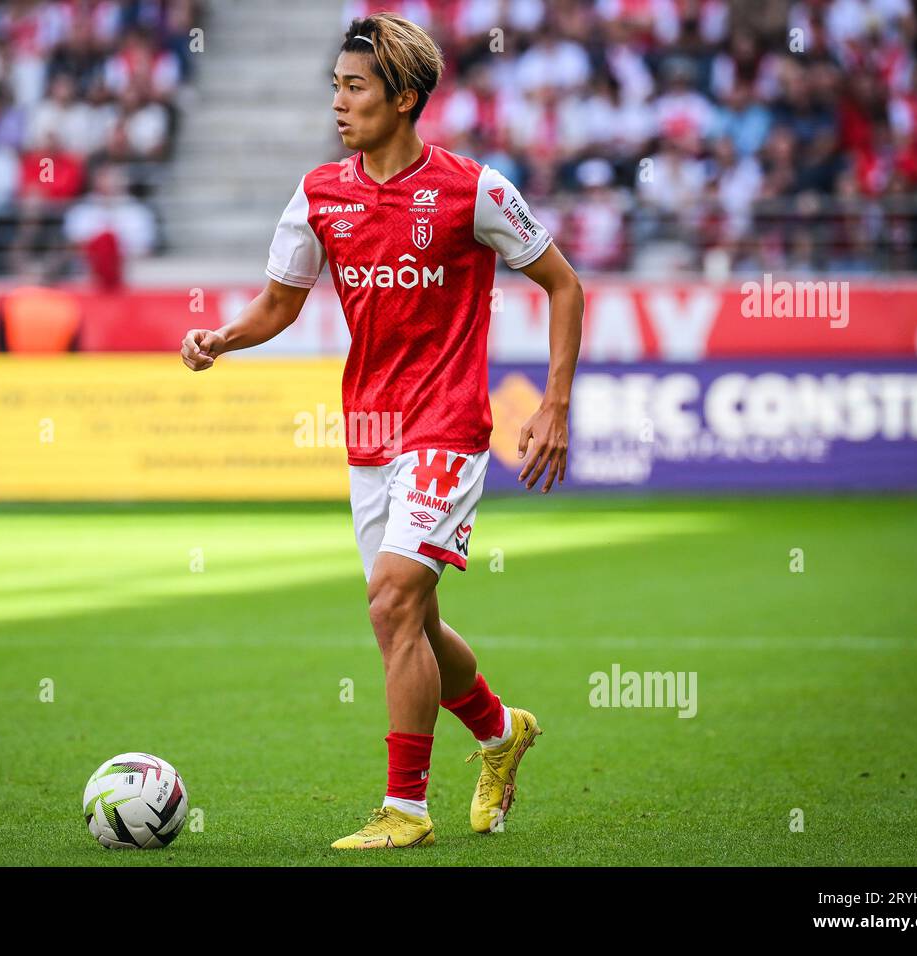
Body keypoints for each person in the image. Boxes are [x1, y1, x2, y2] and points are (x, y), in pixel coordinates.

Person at [180, 13, 584, 850]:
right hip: (369, 429)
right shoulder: (320, 192)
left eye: (353, 86)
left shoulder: (475, 188)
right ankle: (502, 731)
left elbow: (564, 285)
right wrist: (223, 337)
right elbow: (279, 305)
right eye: (334, 84)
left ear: (403, 99)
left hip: (447, 425)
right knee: (414, 625)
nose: (337, 101)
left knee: (394, 596)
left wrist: (553, 404)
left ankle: (405, 810)